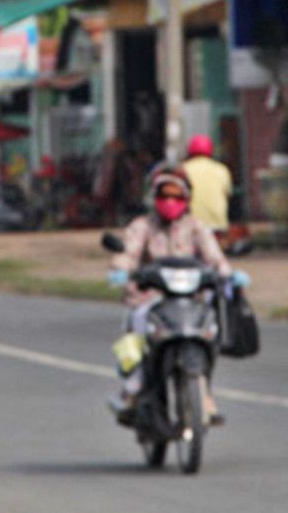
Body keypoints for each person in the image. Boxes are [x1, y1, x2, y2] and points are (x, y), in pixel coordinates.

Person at [105, 167, 243, 422]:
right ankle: (132, 389)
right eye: (164, 194)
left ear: (187, 198)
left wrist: (228, 274)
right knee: (137, 328)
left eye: (177, 195)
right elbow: (128, 254)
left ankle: (204, 392)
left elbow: (215, 258)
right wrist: (121, 271)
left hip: (191, 300)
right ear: (154, 197)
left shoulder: (197, 227)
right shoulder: (143, 226)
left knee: (210, 328)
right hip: (151, 299)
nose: (170, 201)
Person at [181, 134, 234, 243]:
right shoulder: (221, 170)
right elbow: (228, 195)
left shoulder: (182, 169)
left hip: (189, 224)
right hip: (217, 224)